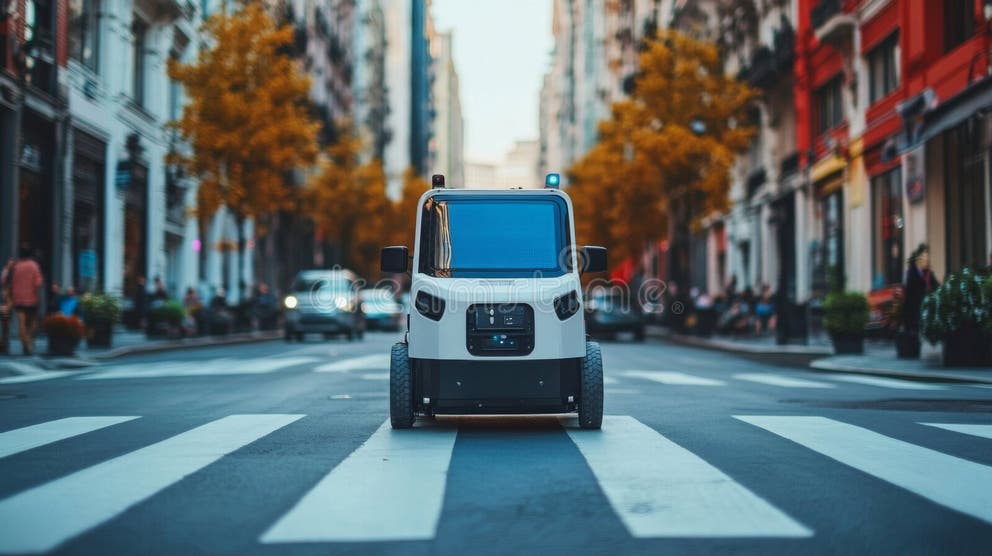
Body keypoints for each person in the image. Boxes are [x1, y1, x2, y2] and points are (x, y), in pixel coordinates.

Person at [8, 247, 44, 355]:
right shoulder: (34, 265)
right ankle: (28, 341)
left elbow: (11, 282)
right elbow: (38, 283)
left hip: (18, 298)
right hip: (32, 298)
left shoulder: (17, 266)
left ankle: (25, 344)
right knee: (32, 322)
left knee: (21, 322)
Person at [903, 243, 939, 338]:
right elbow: (909, 292)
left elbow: (935, 285)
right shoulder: (911, 272)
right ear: (918, 259)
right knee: (913, 332)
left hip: (924, 305)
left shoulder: (927, 272)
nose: (926, 259)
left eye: (927, 257)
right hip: (913, 307)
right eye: (924, 257)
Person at [0, 259, 12, 354]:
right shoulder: (6, 273)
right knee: (4, 327)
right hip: (4, 305)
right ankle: (4, 346)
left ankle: (4, 346)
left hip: (6, 306)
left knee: (5, 327)